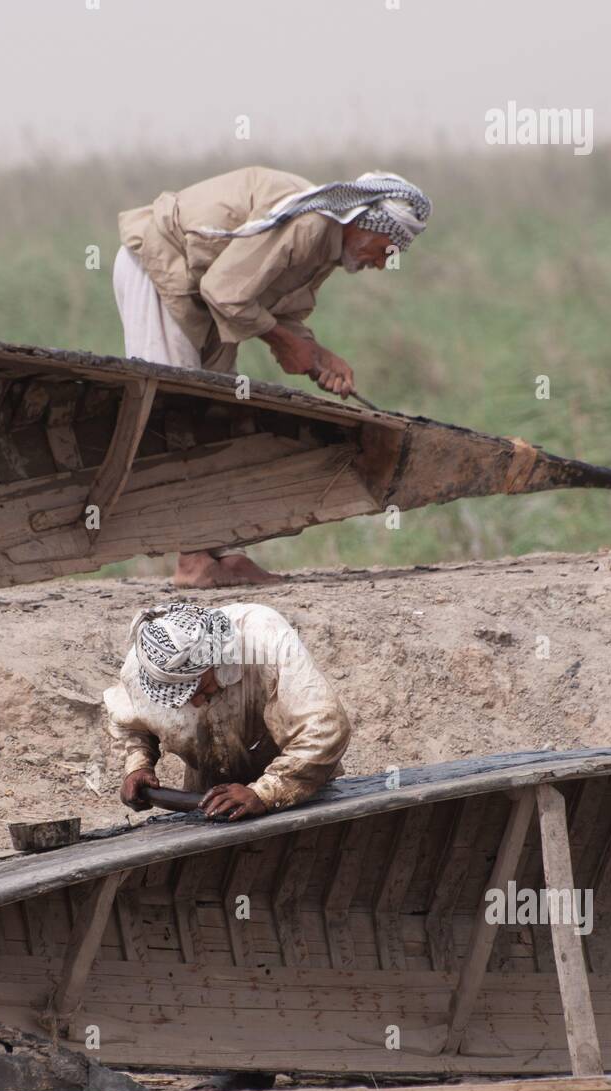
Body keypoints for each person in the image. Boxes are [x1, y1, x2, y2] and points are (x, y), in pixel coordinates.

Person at [114, 166, 432, 587]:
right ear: (362, 222)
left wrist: (316, 354)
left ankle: (226, 555)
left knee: (216, 417)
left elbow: (276, 309)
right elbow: (226, 291)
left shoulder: (326, 243)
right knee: (178, 413)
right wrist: (285, 343)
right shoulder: (309, 225)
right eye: (387, 249)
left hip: (202, 297)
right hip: (160, 270)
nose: (383, 263)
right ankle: (191, 560)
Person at [104, 599, 352, 820]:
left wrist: (265, 792)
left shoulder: (265, 637)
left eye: (200, 688)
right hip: (210, 803)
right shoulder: (141, 669)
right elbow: (131, 726)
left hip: (299, 794)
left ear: (216, 658)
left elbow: (325, 727)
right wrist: (138, 765)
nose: (197, 702)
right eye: (183, 698)